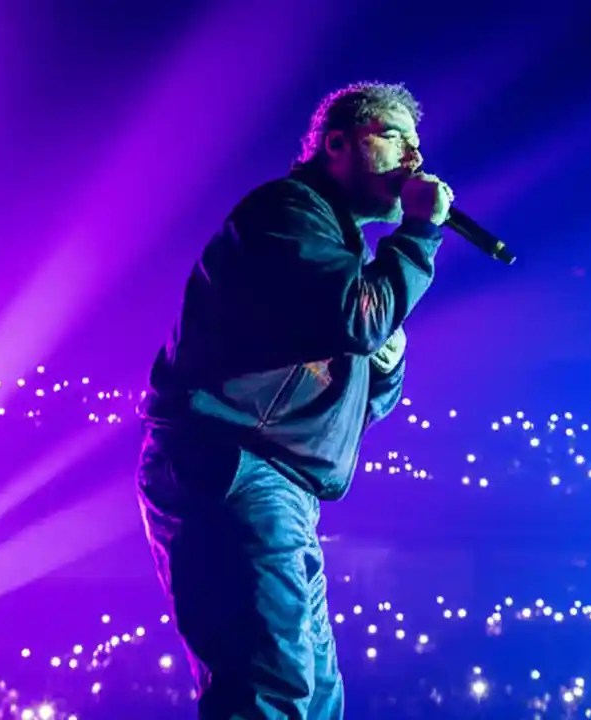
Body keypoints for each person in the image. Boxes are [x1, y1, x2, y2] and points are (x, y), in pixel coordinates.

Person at [133, 81, 453, 719]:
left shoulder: (341, 250)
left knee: (316, 694)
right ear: (338, 143)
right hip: (234, 464)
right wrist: (418, 235)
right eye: (395, 138)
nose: (414, 158)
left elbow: (363, 404)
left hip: (283, 484)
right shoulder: (285, 214)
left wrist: (387, 361)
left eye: (419, 144)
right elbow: (358, 318)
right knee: (270, 686)